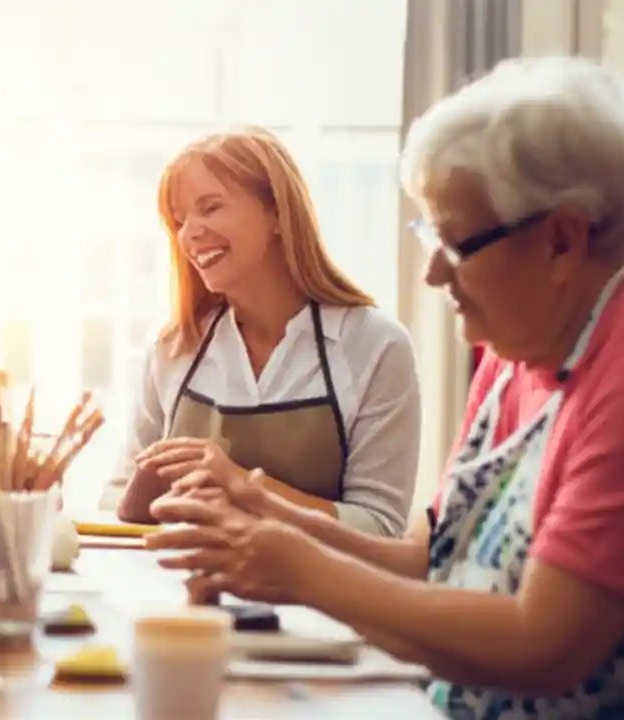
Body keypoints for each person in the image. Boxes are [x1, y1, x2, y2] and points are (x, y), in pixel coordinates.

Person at [147, 56, 624, 719]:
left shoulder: (623, 371)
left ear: (562, 240)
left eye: (456, 242)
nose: (433, 272)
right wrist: (260, 504)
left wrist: (299, 569)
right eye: (427, 234)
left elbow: (545, 646)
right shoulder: (514, 354)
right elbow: (425, 556)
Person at [106, 126, 421, 537]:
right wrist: (141, 493)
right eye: (180, 220)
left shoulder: (375, 345)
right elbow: (113, 501)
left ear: (276, 212)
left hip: (320, 599)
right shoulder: (174, 347)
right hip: (189, 594)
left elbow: (380, 528)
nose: (190, 233)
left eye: (211, 207)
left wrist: (241, 486)